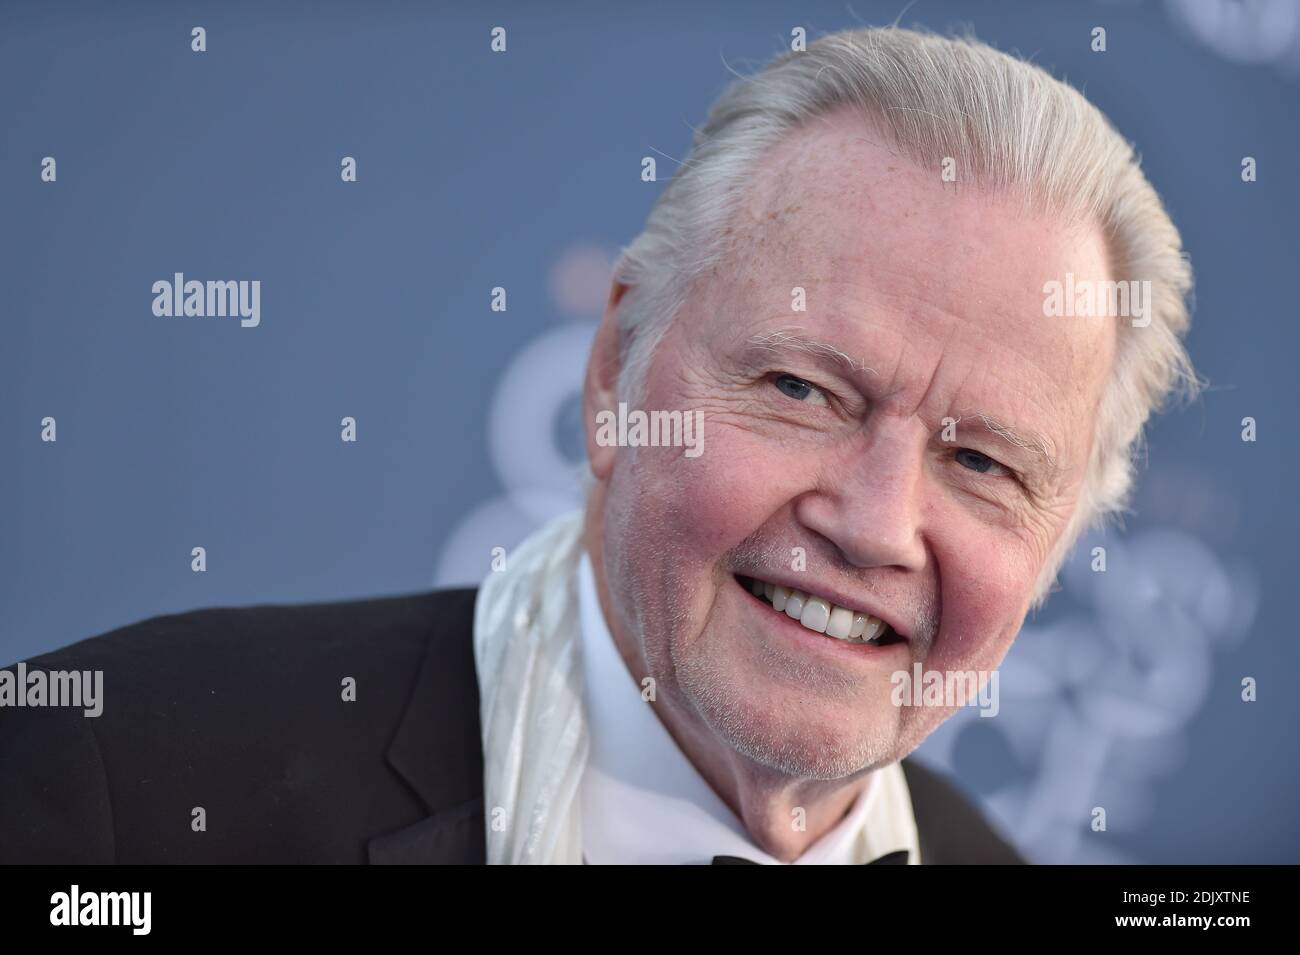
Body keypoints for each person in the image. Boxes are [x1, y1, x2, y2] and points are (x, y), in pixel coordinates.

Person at [0, 25, 1197, 865]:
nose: (877, 523)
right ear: (618, 374)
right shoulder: (115, 781)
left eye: (982, 463)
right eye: (801, 389)